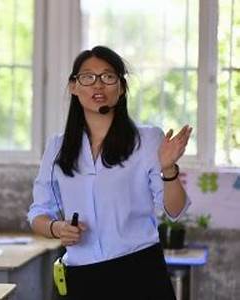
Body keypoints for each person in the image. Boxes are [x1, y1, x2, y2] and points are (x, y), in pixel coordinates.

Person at [28, 46, 192, 299]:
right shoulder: (57, 147)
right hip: (81, 275)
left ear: (122, 87)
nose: (98, 85)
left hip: (139, 271)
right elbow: (38, 212)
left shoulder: (148, 139)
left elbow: (175, 210)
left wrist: (168, 168)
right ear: (74, 86)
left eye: (108, 77)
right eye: (87, 77)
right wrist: (56, 228)